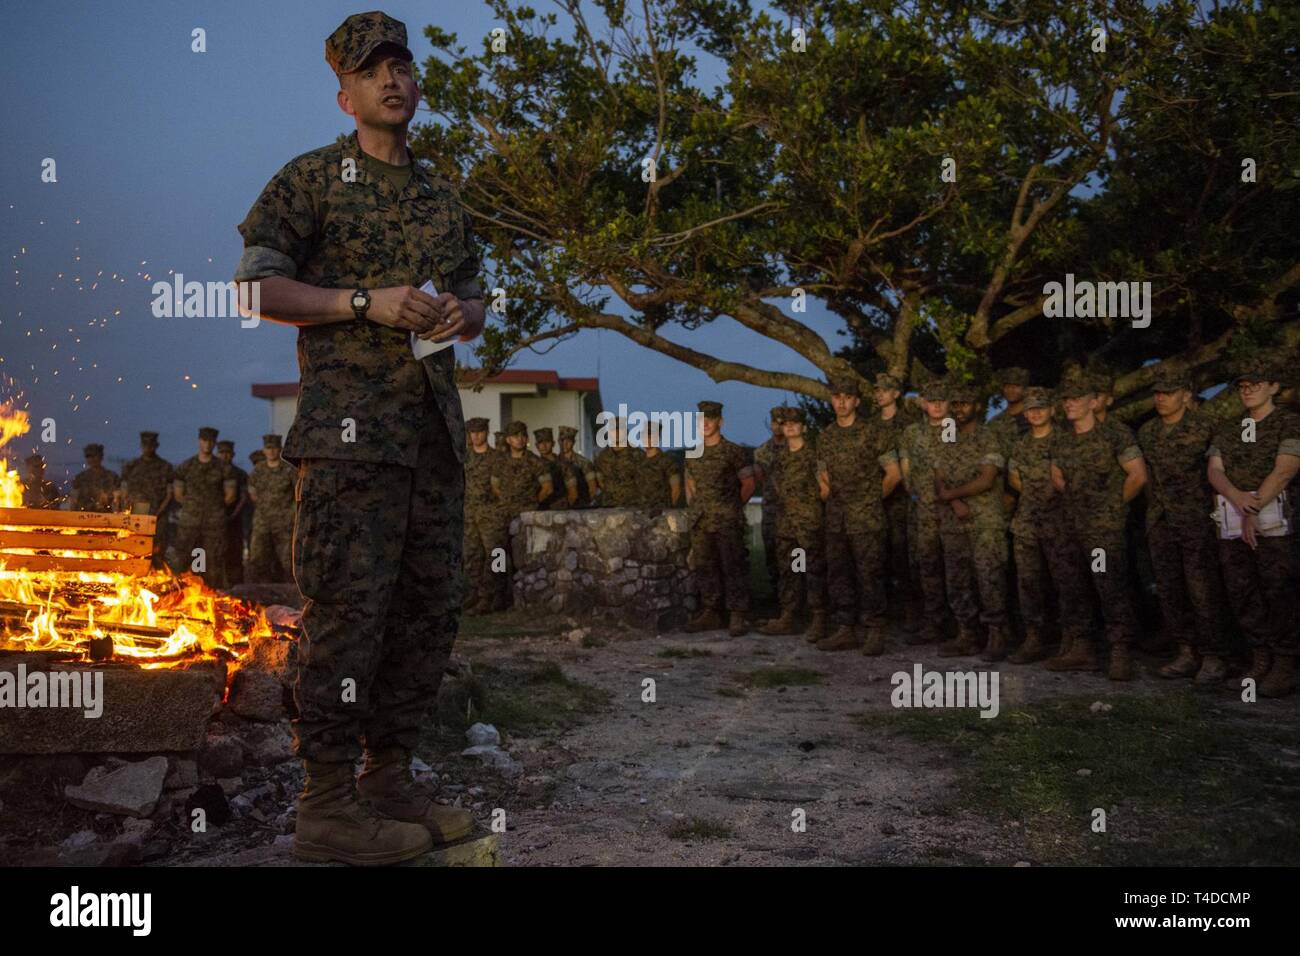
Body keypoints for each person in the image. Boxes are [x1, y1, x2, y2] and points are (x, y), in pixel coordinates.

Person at [233, 10, 485, 863]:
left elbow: (478, 300)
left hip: (432, 441)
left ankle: (389, 777)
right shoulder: (311, 180)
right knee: (348, 616)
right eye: (371, 70)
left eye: (401, 66)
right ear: (345, 95)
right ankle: (327, 805)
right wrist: (362, 302)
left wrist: (458, 314)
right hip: (349, 444)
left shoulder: (440, 197)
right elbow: (254, 288)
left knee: (426, 615)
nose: (391, 80)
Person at [1206, 358, 1300, 698]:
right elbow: (1215, 469)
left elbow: (1285, 469)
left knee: (1278, 590)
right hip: (1233, 520)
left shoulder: (1288, 423)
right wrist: (1237, 498)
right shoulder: (1230, 427)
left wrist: (1254, 507)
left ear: (1274, 387)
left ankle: (1285, 663)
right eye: (1242, 386)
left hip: (1276, 523)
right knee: (1243, 590)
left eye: (1255, 385)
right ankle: (1259, 659)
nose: (1247, 391)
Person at [1048, 370, 1147, 680]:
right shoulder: (1062, 437)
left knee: (1109, 586)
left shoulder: (1114, 434)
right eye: (1066, 399)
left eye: (1076, 398)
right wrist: (1075, 497)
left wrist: (1111, 508)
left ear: (1093, 402)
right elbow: (1056, 474)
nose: (1069, 403)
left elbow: (1137, 476)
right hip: (1071, 526)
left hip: (1103, 531)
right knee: (1074, 587)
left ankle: (1120, 651)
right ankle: (1083, 649)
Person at [1137, 365, 1228, 682]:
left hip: (1197, 519)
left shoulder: (1205, 426)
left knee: (1203, 589)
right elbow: (1148, 477)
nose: (1161, 398)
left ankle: (1215, 656)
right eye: (1157, 393)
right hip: (1161, 520)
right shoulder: (1148, 431)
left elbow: (1219, 470)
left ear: (1186, 395)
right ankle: (1186, 651)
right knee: (1170, 589)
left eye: (1169, 392)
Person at [816, 377, 902, 653]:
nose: (841, 402)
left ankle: (875, 630)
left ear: (857, 401)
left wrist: (869, 501)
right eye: (837, 397)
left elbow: (893, 475)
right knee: (839, 574)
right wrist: (834, 496)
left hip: (866, 519)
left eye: (847, 397)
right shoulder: (826, 436)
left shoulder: (873, 432)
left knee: (870, 574)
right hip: (837, 518)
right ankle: (846, 629)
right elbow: (823, 475)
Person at [1005, 387, 1088, 663]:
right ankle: (1034, 638)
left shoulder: (1066, 440)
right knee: (1029, 582)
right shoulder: (1021, 444)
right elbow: (1014, 478)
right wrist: (1035, 493)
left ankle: (1074, 639)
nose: (1036, 413)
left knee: (1068, 583)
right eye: (1031, 408)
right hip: (1027, 524)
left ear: (1052, 410)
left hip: (1061, 523)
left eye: (1041, 407)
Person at [933, 384, 1010, 660]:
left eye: (964, 403)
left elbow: (987, 479)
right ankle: (967, 634)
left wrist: (951, 495)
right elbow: (939, 475)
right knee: (957, 578)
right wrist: (953, 501)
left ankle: (996, 635)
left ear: (977, 406)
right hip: (953, 520)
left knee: (989, 577)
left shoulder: (989, 436)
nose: (959, 409)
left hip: (984, 520)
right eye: (954, 404)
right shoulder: (948, 436)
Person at [683, 401, 755, 637]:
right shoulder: (693, 453)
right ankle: (711, 611)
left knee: (733, 565)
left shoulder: (733, 451)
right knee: (706, 567)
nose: (705, 424)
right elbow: (690, 484)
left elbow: (748, 483)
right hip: (702, 520)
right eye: (701, 420)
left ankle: (737, 613)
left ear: (720, 422)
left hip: (726, 520)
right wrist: (695, 507)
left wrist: (732, 508)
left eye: (710, 419)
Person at [759, 407, 827, 639]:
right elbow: (778, 488)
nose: (788, 427)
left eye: (794, 423)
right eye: (785, 423)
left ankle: (818, 617)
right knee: (791, 569)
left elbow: (826, 488)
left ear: (803, 427)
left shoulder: (814, 455)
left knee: (814, 570)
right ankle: (790, 615)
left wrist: (808, 508)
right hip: (787, 526)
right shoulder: (779, 458)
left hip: (809, 525)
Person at [899, 381, 956, 646]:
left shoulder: (956, 430)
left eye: (942, 400)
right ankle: (934, 622)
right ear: (923, 403)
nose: (937, 405)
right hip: (923, 511)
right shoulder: (912, 432)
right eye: (931, 400)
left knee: (957, 567)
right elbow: (906, 466)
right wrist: (913, 489)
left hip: (954, 510)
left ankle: (963, 625)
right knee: (927, 566)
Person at [872, 373, 921, 630]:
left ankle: (912, 609)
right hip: (876, 498)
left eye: (885, 390)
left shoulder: (909, 423)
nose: (880, 394)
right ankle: (885, 609)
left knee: (903, 555)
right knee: (878, 555)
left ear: (897, 393)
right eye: (877, 390)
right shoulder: (870, 425)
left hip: (903, 498)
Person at [491, 420, 554, 607]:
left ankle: (526, 596)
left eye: (522, 435)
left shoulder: (535, 462)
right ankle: (499, 594)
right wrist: (507, 501)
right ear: (508, 440)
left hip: (525, 517)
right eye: (515, 436)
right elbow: (495, 486)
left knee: (524, 557)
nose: (519, 439)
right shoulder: (500, 462)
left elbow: (547, 488)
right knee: (499, 553)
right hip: (503, 516)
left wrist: (530, 503)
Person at [173, 427, 237, 588]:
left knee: (213, 561)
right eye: (204, 440)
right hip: (190, 523)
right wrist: (193, 507)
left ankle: (210, 593)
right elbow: (178, 494)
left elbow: (230, 496)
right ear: (199, 441)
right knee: (187, 558)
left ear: (215, 443)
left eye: (211, 441)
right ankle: (186, 591)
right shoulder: (186, 466)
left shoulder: (224, 468)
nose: (207, 444)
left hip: (214, 524)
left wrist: (213, 508)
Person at [463, 417, 504, 612]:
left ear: (487, 432)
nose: (476, 436)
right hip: (470, 513)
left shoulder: (497, 458)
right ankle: (474, 594)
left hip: (492, 513)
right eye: (473, 432)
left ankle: (493, 595)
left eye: (480, 431)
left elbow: (502, 489)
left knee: (496, 554)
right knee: (472, 555)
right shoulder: (465, 457)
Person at [246, 434, 295, 583]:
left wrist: (290, 513)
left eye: (274, 448)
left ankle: (291, 590)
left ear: (280, 449)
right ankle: (259, 590)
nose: (271, 451)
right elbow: (252, 492)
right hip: (262, 522)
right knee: (258, 558)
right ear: (264, 450)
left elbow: (297, 494)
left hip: (284, 522)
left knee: (288, 560)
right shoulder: (258, 470)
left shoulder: (289, 470)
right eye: (268, 448)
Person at [121, 431, 175, 565]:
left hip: (158, 513)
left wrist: (158, 513)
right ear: (141, 445)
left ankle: (157, 574)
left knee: (157, 550)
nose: (148, 448)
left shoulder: (165, 467)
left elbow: (169, 494)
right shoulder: (132, 466)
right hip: (137, 513)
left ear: (156, 445)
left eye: (151, 445)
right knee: (135, 547)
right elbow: (124, 491)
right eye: (145, 445)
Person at [753, 407, 786, 597]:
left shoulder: (797, 448)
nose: (778, 426)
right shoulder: (762, 451)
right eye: (775, 422)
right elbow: (761, 479)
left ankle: (798, 589)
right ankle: (776, 591)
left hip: (795, 510)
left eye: (782, 423)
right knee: (771, 549)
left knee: (797, 552)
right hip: (771, 507)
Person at [217, 439, 250, 585]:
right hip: (212, 521)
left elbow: (243, 498)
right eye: (222, 453)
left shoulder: (240, 474)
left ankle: (236, 586)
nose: (225, 456)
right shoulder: (211, 472)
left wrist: (232, 515)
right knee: (209, 554)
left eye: (228, 453)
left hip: (233, 520)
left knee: (234, 554)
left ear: (233, 454)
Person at [593, 417, 643, 507]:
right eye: (613, 430)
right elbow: (600, 481)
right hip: (608, 507)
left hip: (633, 507)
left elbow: (645, 482)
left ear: (626, 432)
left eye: (620, 429)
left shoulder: (638, 455)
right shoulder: (602, 457)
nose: (616, 433)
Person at [642, 420, 682, 508]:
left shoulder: (668, 462)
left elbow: (676, 489)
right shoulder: (638, 461)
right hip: (639, 512)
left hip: (661, 511)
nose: (647, 439)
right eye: (645, 435)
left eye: (651, 436)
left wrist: (667, 510)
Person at [534, 427, 575, 510]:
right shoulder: (533, 464)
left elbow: (573, 492)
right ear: (536, 445)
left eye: (547, 441)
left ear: (553, 443)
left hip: (560, 508)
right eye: (540, 442)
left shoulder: (563, 463)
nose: (544, 445)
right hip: (539, 508)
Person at [71, 444, 119, 513]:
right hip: (83, 516)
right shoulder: (80, 478)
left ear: (101, 457)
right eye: (88, 456)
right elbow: (74, 501)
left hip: (106, 516)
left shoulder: (112, 477)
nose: (91, 459)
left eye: (94, 455)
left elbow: (117, 501)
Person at [558, 425, 598, 506]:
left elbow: (593, 488)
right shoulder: (554, 462)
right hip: (559, 507)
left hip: (579, 506)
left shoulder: (583, 462)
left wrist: (585, 504)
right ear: (558, 441)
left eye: (568, 441)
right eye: (562, 440)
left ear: (573, 442)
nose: (565, 444)